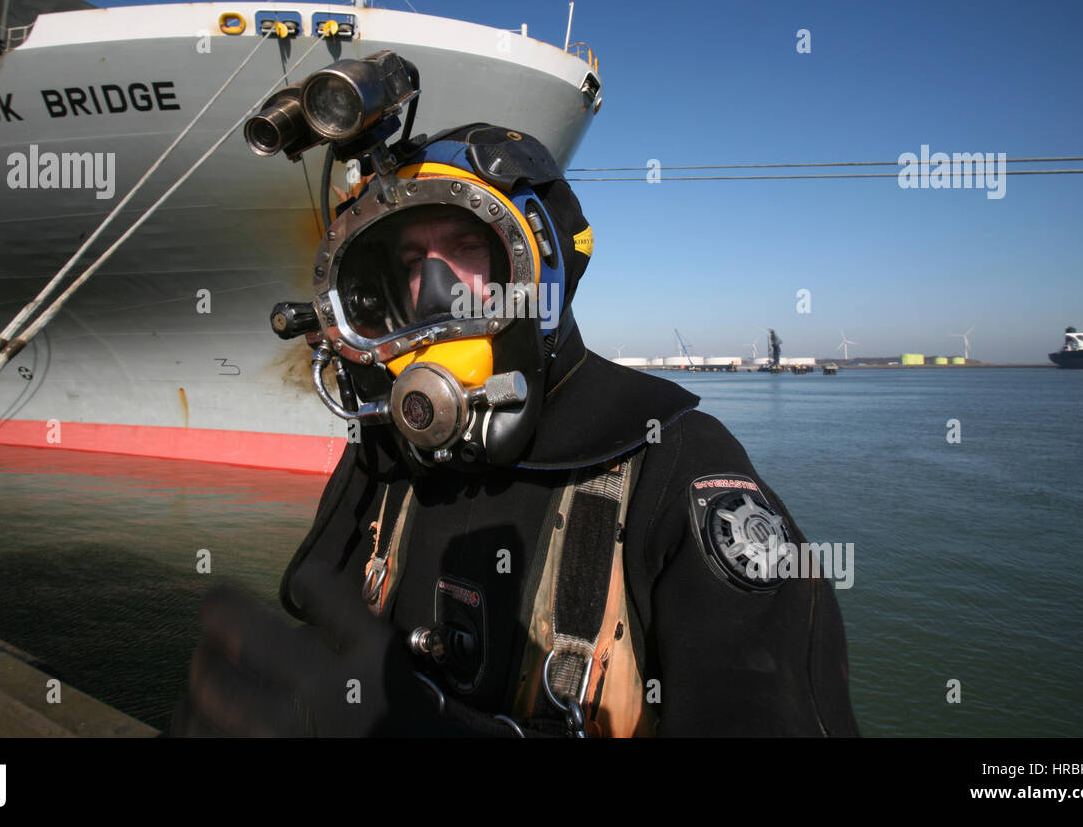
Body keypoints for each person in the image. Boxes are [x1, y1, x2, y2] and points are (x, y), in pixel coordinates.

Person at [173, 123, 859, 737]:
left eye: (468, 246)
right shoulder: (391, 452)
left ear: (540, 268)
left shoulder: (673, 459)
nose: (437, 288)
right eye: (414, 263)